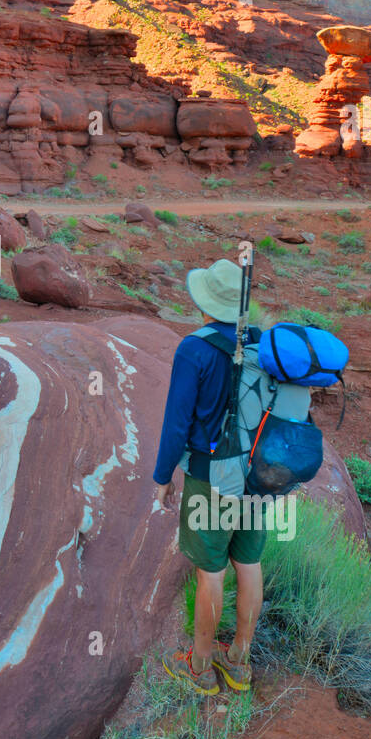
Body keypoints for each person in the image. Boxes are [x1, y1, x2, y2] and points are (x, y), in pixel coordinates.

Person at [153, 258, 265, 696]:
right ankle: (239, 661)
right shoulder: (259, 344)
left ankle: (199, 666)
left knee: (211, 572)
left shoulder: (194, 349)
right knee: (249, 564)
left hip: (211, 477)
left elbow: (176, 422)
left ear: (204, 302)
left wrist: (164, 475)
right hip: (257, 478)